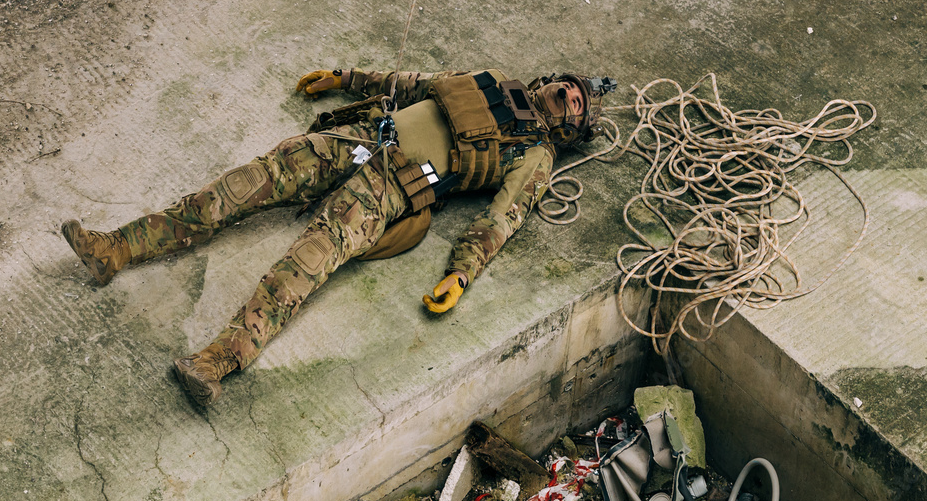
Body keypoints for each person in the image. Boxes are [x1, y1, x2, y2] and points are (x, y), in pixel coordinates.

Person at [61, 67, 613, 406]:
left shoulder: (536, 156)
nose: (569, 94)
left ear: (571, 129)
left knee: (307, 261)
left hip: (393, 188)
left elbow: (502, 218)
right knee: (242, 186)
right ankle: (115, 248)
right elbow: (412, 82)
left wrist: (462, 272)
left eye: (577, 103)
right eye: (569, 86)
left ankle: (217, 361)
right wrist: (347, 78)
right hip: (361, 139)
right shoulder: (487, 80)